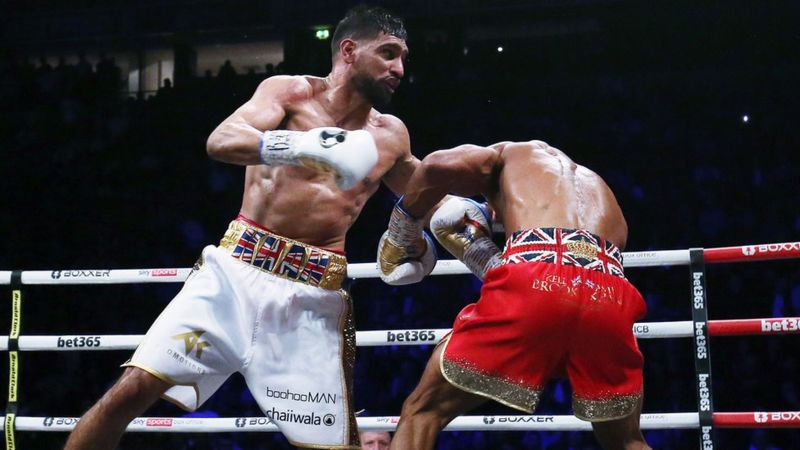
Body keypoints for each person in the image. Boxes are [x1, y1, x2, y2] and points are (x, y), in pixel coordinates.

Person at [64, 5, 435, 450]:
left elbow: (430, 196)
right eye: (389, 53)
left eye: (403, 58)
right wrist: (303, 145)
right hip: (234, 278)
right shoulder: (291, 93)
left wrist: (479, 247)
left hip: (311, 300)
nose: (398, 68)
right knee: (129, 392)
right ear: (349, 50)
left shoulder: (391, 135)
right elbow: (221, 140)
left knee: (334, 446)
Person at [377, 140, 651, 450]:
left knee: (422, 411)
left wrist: (404, 226)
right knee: (626, 441)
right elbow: (572, 276)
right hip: (610, 293)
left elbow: (438, 164)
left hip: (535, 287)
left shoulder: (508, 155)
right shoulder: (596, 187)